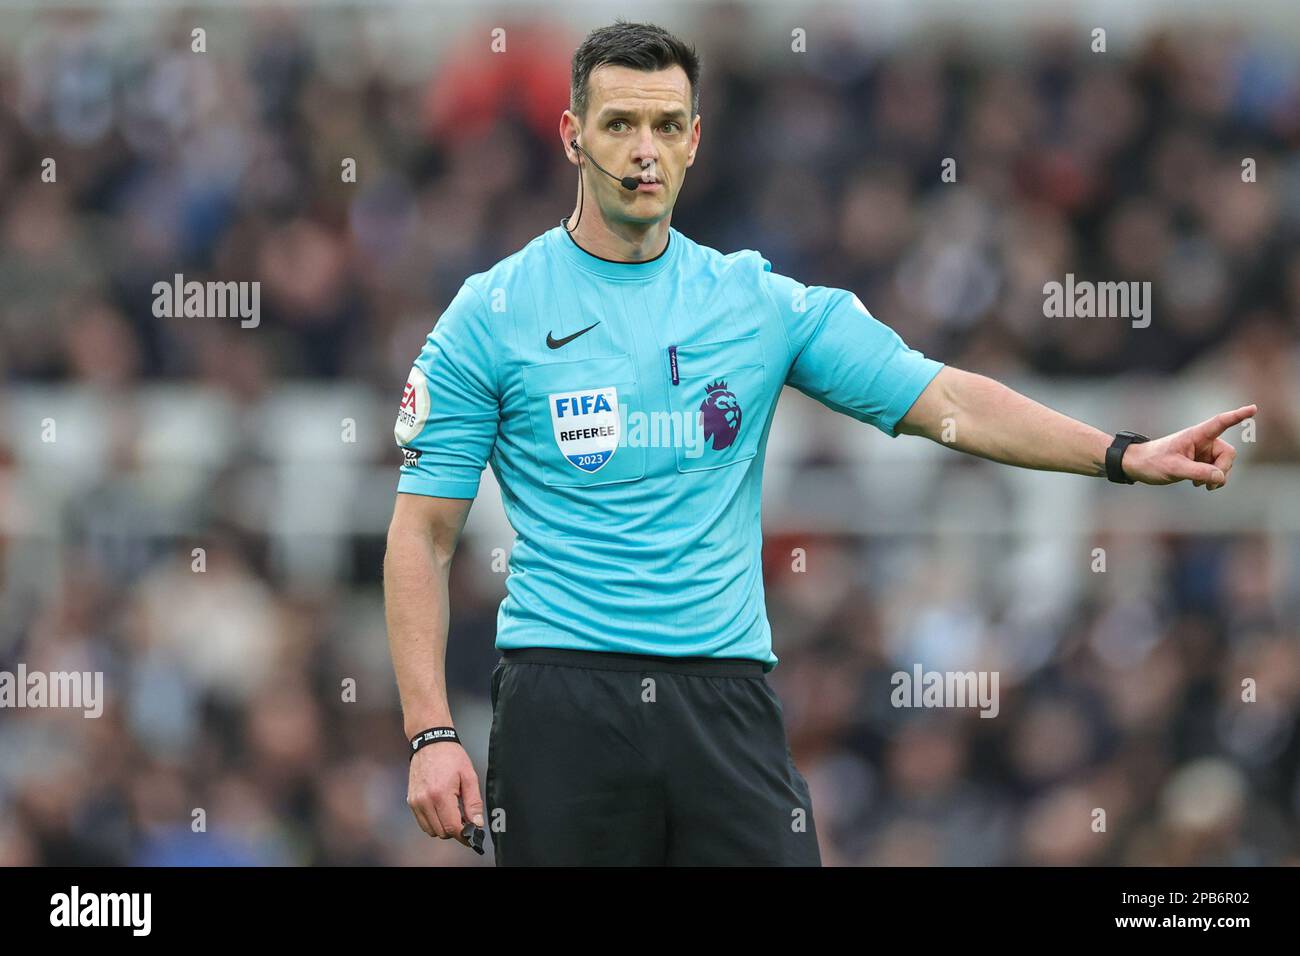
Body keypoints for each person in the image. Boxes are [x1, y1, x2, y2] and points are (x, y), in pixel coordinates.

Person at [383, 20, 1255, 866]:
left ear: (694, 140)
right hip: (561, 697)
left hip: (723, 698)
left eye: (664, 125)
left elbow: (941, 396)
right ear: (573, 136)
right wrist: (431, 732)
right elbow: (420, 534)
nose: (642, 149)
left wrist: (1121, 453)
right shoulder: (491, 315)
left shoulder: (756, 302)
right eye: (618, 124)